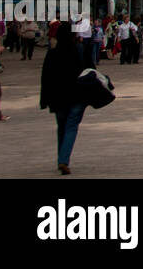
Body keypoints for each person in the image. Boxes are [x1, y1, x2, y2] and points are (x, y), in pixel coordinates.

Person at [40, 22, 84, 174]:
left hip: (58, 97)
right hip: (77, 95)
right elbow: (90, 70)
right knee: (71, 127)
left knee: (62, 128)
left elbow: (45, 77)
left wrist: (43, 100)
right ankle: (63, 160)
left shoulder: (52, 53)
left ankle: (62, 158)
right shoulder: (78, 50)